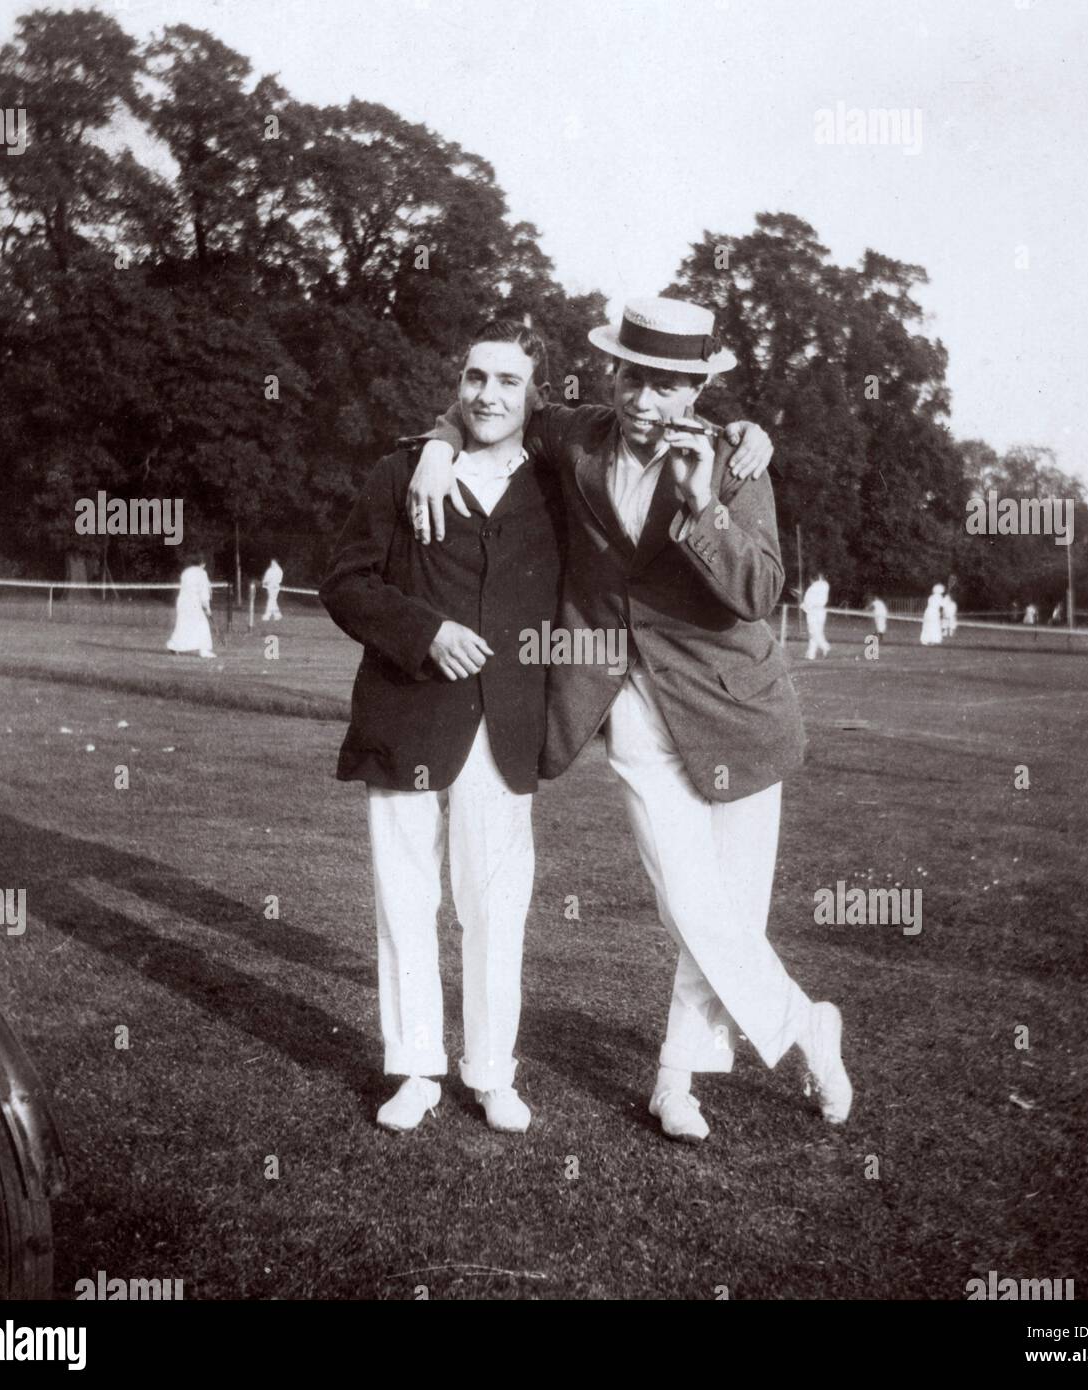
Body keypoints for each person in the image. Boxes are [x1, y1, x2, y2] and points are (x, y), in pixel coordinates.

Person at [408, 296, 852, 1144]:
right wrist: (437, 446)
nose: (647, 403)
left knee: (727, 911)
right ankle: (805, 1025)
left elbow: (760, 591)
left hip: (737, 713)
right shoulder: (572, 436)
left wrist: (701, 506)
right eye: (634, 380)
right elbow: (489, 406)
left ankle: (674, 1080)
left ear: (695, 390)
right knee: (686, 899)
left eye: (668, 387)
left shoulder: (731, 462)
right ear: (613, 375)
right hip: (630, 708)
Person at [319, 319, 565, 1136]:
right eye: (473, 379)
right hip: (407, 712)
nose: (487, 394)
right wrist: (423, 630)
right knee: (405, 900)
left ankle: (492, 1073)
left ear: (535, 395)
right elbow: (345, 582)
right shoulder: (402, 472)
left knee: (495, 909)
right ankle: (416, 1068)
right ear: (456, 388)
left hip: (506, 729)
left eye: (506, 381)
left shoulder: (559, 482)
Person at [166, 555, 216, 658]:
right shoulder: (202, 573)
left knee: (183, 624)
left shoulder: (186, 572)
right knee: (203, 625)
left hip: (182, 602)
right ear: (202, 563)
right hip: (192, 603)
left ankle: (174, 645)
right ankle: (204, 651)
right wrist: (207, 608)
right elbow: (203, 592)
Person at [802, 574, 832, 659]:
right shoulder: (825, 585)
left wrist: (803, 605)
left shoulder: (812, 588)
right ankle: (811, 654)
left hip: (813, 611)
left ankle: (825, 646)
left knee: (813, 632)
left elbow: (807, 601)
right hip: (821, 611)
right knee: (817, 632)